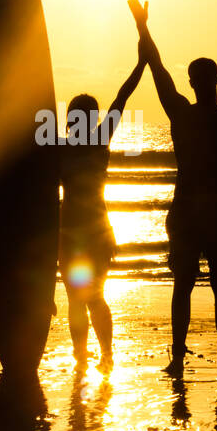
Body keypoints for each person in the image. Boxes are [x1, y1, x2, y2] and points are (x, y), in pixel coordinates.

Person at [130, 0, 217, 378]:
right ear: (214, 80)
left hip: (187, 214)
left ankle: (180, 359)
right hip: (214, 213)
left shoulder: (182, 113)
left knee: (187, 286)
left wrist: (142, 25)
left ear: (194, 82)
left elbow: (155, 65)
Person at [58, 51, 146, 370]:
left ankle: (98, 356)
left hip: (85, 235)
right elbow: (121, 98)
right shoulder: (69, 146)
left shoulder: (85, 143)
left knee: (86, 298)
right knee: (87, 298)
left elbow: (122, 97)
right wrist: (141, 61)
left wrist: (140, 64)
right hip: (80, 235)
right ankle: (89, 356)